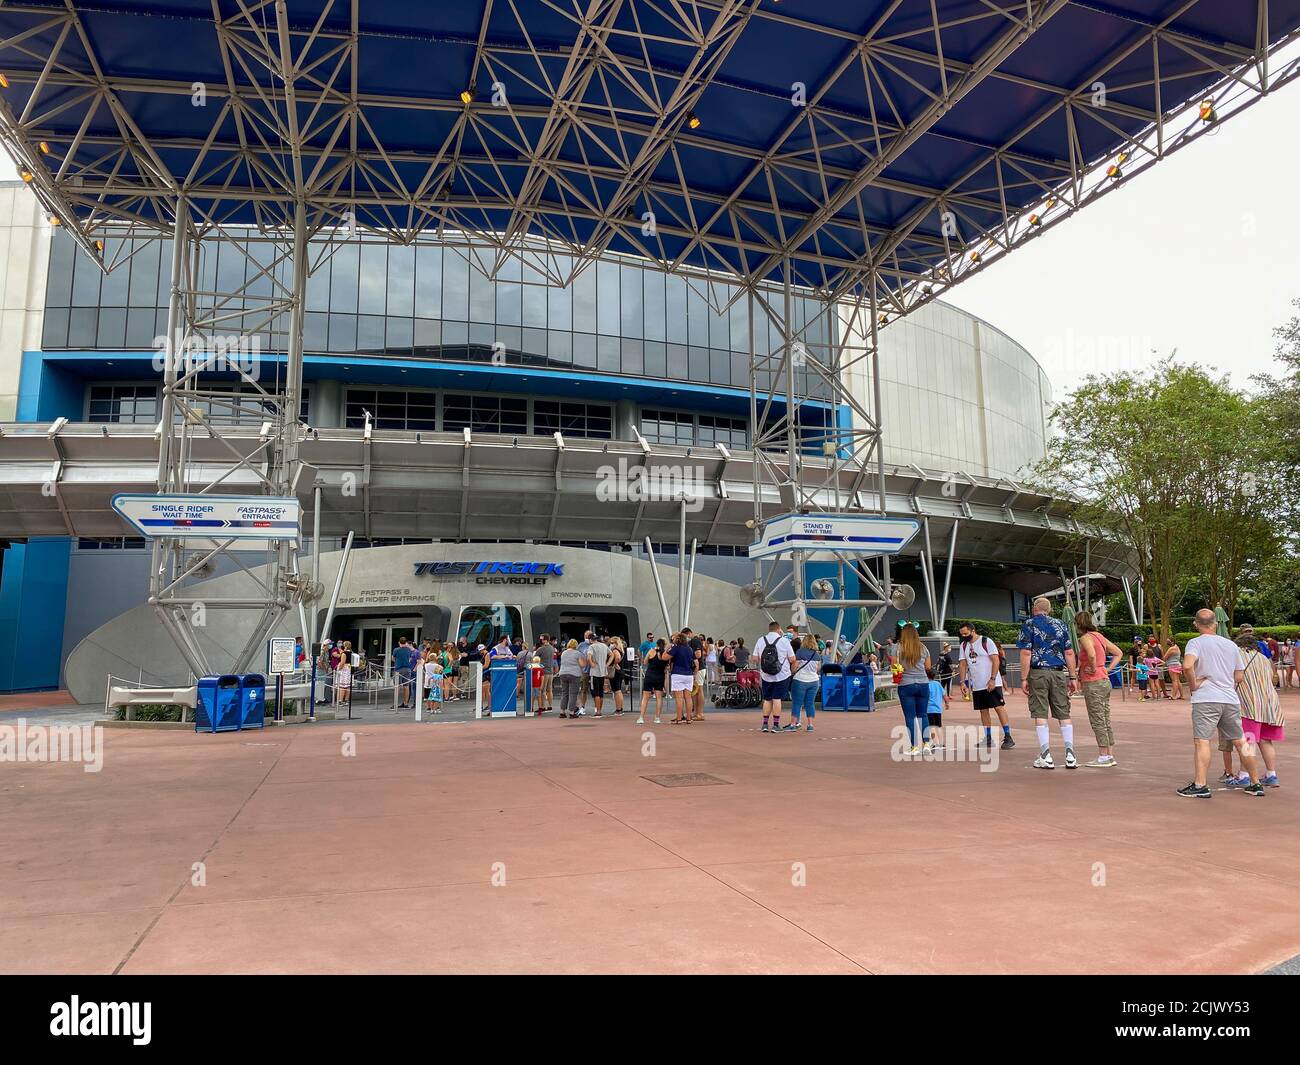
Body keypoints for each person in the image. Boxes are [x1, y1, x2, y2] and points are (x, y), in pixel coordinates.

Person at [1178, 610, 1264, 798]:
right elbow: (1239, 676)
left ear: (1196, 624)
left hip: (1206, 698)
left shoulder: (1195, 643)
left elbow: (1186, 665)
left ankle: (1200, 784)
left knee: (1202, 741)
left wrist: (1194, 685)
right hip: (1229, 698)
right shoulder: (1231, 645)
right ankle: (1256, 782)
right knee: (1241, 741)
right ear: (1215, 623)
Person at [1016, 597, 1079, 769]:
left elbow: (1026, 653)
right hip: (1059, 673)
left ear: (1035, 608)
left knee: (1040, 713)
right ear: (1049, 609)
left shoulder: (1029, 624)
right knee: (1064, 713)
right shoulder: (1061, 625)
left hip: (1038, 673)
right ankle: (1070, 755)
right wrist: (1072, 677)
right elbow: (1070, 652)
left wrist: (1023, 678)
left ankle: (1046, 755)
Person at [1221, 632, 1284, 788]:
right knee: (1265, 740)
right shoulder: (1263, 659)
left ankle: (1244, 775)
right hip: (1270, 705)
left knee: (1248, 740)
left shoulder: (1237, 656)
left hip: (1248, 704)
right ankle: (1271, 774)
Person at [1076, 611, 1123, 767]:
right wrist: (1107, 668)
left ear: (1079, 624)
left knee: (1097, 719)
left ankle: (1103, 756)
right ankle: (1109, 754)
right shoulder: (1099, 636)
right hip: (1104, 680)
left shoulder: (1085, 638)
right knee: (1104, 717)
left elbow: (1091, 654)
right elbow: (1118, 653)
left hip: (1093, 681)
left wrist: (1092, 666)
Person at [957, 621, 1014, 749]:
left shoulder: (986, 641)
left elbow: (995, 660)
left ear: (973, 630)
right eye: (962, 634)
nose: (964, 636)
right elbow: (963, 664)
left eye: (966, 633)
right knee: (983, 710)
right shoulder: (964, 645)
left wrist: (993, 679)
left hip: (992, 682)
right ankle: (988, 738)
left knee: (998, 707)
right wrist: (962, 682)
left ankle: (1008, 736)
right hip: (977, 684)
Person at [894, 623, 932, 756]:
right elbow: (928, 667)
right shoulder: (923, 647)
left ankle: (914, 746)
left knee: (910, 717)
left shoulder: (898, 648)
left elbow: (894, 665)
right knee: (923, 715)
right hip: (923, 683)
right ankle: (927, 744)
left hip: (905, 684)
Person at [754, 621, 795, 733]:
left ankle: (765, 724)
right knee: (777, 699)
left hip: (766, 674)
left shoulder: (760, 640)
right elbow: (792, 659)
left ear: (769, 629)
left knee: (767, 699)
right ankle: (776, 725)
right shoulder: (785, 641)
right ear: (778, 629)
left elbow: (755, 658)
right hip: (781, 675)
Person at [785, 633, 820, 732]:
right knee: (810, 703)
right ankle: (810, 725)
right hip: (814, 681)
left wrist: (792, 671)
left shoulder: (800, 652)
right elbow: (817, 669)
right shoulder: (816, 654)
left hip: (800, 680)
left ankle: (793, 724)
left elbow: (794, 667)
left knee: (797, 703)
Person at [667, 632, 697, 724]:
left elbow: (665, 657)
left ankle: (679, 718)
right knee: (688, 698)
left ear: (677, 639)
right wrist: (694, 674)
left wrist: (667, 648)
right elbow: (696, 662)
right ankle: (689, 718)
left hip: (678, 674)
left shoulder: (676, 648)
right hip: (689, 674)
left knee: (679, 698)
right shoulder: (690, 649)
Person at [638, 639, 668, 724]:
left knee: (645, 697)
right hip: (660, 676)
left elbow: (645, 662)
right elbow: (667, 666)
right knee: (659, 697)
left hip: (650, 675)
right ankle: (657, 717)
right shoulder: (665, 654)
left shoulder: (651, 651)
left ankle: (641, 717)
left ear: (657, 644)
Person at [557, 638, 586, 718]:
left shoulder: (564, 653)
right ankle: (572, 712)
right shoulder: (577, 653)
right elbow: (582, 664)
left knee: (564, 693)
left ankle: (562, 712)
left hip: (563, 673)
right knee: (573, 694)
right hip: (574, 674)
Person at [587, 632, 611, 716]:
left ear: (590, 640)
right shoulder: (604, 645)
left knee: (595, 693)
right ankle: (600, 709)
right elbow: (611, 655)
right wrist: (607, 664)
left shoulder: (591, 647)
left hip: (594, 672)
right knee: (601, 692)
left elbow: (589, 657)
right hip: (603, 671)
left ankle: (598, 711)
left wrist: (591, 663)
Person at [925, 667, 948, 751]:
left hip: (929, 709)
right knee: (939, 726)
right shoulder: (938, 684)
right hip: (938, 709)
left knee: (932, 727)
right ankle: (941, 743)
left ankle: (935, 743)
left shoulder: (926, 685)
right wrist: (946, 703)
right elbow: (944, 694)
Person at [392, 635, 418, 709]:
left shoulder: (396, 650)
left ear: (399, 642)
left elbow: (393, 658)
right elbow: (410, 658)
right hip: (407, 669)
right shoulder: (409, 650)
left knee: (397, 686)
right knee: (406, 686)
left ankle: (395, 703)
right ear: (405, 642)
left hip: (398, 669)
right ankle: (406, 703)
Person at [535, 634, 556, 713]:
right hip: (550, 671)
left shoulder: (541, 649)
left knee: (542, 690)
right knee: (549, 689)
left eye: (542, 639)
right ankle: (550, 706)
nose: (541, 640)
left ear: (545, 640)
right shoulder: (552, 648)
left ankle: (543, 706)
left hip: (543, 671)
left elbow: (535, 658)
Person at [608, 637, 626, 714]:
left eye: (612, 643)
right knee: (618, 690)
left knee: (616, 690)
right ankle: (620, 708)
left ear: (616, 643)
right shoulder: (621, 650)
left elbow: (617, 658)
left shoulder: (615, 650)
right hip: (620, 671)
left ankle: (618, 709)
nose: (611, 644)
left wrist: (614, 664)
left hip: (616, 672)